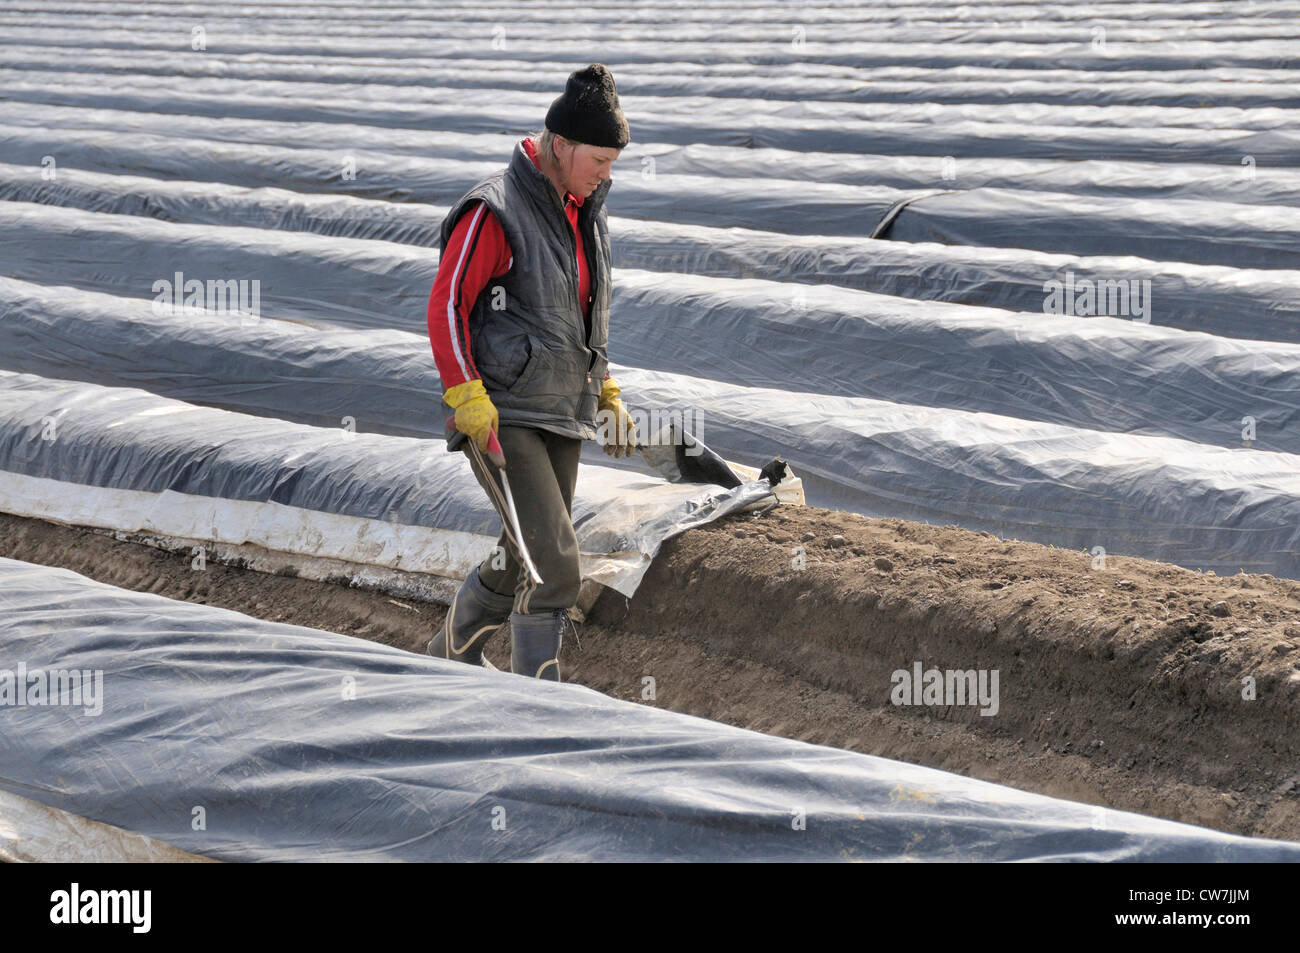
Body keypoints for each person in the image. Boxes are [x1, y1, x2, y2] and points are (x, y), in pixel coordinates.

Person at [425, 63, 638, 681]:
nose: (607, 172)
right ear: (562, 145)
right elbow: (446, 303)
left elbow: (582, 313)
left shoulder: (584, 211)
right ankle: (531, 710)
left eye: (612, 162)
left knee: (521, 559)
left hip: (561, 409)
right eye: (599, 159)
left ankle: (449, 655)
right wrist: (466, 395)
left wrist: (605, 391)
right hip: (504, 413)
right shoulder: (497, 209)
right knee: (555, 569)